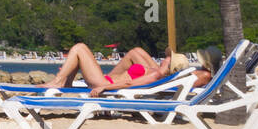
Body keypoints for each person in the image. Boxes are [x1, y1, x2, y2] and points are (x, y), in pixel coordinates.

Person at [44, 42, 215, 93]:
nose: (164, 57)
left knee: (80, 48)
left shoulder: (155, 76)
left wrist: (104, 86)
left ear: (168, 65)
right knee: (137, 51)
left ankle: (59, 82)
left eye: (168, 58)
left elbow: (128, 85)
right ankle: (64, 83)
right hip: (106, 81)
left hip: (103, 83)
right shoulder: (156, 72)